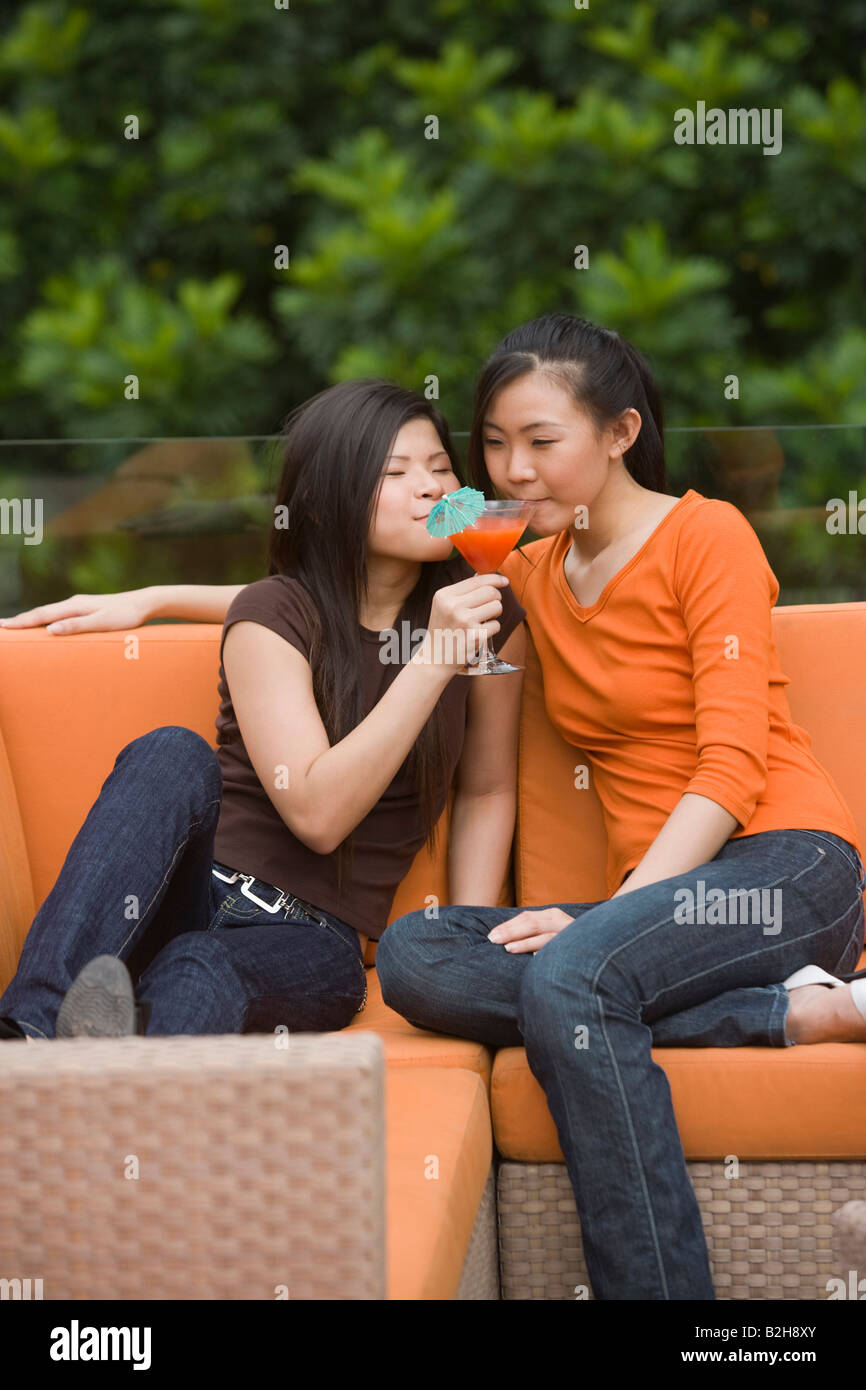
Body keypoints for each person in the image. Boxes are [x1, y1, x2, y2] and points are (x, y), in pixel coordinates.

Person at [370, 313, 866, 1301]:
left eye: (540, 442)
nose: (512, 470)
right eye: (496, 444)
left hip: (783, 865)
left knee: (566, 983)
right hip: (647, 915)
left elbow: (727, 774)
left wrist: (603, 918)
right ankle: (794, 1013)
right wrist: (143, 602)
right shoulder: (527, 568)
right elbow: (355, 576)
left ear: (618, 433)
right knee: (413, 954)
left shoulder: (704, 534)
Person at [0, 378, 526, 1042]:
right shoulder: (276, 616)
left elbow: (487, 787)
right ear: (329, 500)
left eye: (440, 467)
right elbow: (317, 813)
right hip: (189, 895)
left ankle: (123, 1045)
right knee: (170, 752)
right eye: (395, 472)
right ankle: (28, 1035)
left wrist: (466, 944)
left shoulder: (490, 617)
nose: (430, 487)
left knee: (201, 965)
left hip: (311, 943)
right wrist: (433, 662)